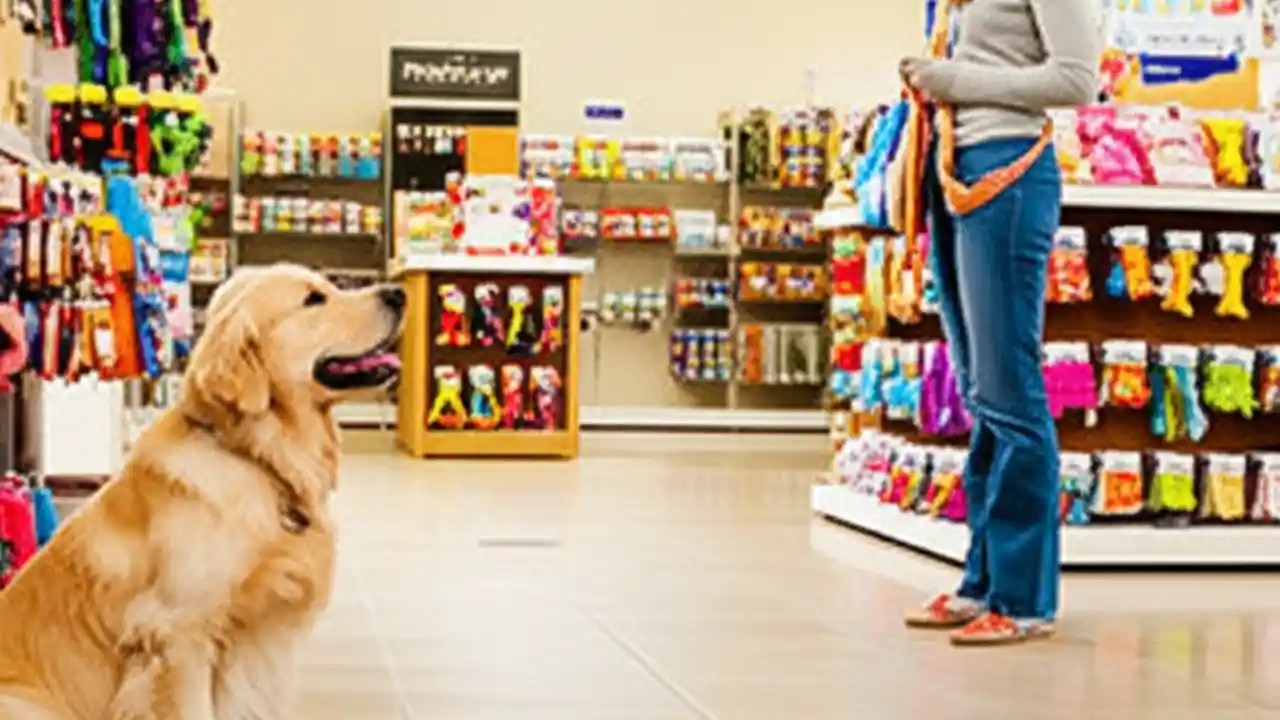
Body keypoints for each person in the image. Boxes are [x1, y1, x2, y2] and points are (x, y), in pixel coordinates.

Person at [897, 0, 1101, 646]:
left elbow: (1076, 79)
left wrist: (955, 80)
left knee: (1009, 388)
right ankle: (982, 582)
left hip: (1006, 174)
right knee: (983, 392)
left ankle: (1023, 598)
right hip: (957, 172)